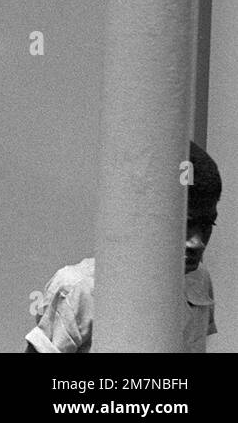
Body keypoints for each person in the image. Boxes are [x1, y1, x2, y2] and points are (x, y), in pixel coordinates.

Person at [26, 142, 222, 353]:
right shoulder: (79, 288)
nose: (197, 243)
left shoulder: (199, 279)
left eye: (207, 225)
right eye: (184, 224)